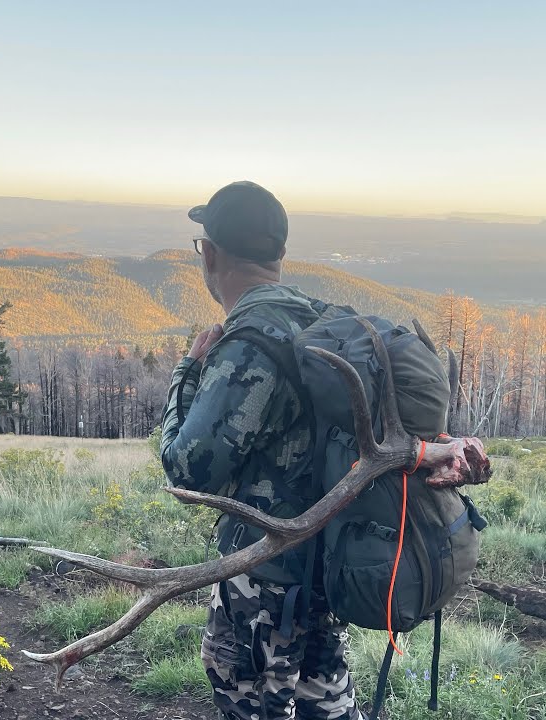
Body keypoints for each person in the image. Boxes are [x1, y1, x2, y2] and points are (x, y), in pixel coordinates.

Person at [158, 180, 359, 719]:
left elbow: (185, 472)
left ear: (212, 254)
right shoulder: (328, 321)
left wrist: (187, 375)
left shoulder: (248, 344)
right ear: (280, 254)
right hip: (329, 572)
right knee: (324, 705)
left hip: (261, 584)